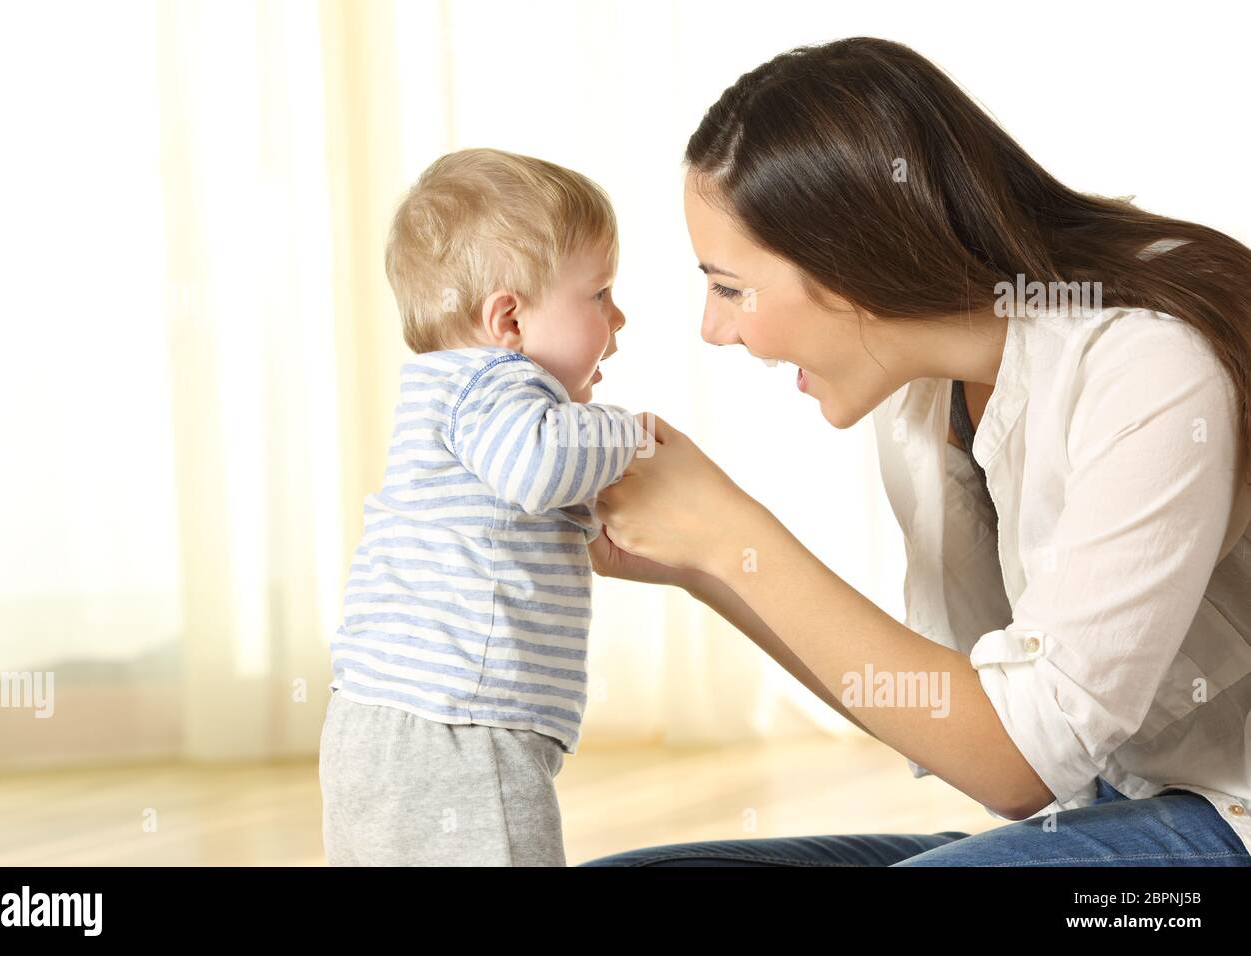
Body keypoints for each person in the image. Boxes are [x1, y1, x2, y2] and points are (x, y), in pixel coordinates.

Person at [580, 37, 1251, 867]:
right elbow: (960, 721)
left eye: (729, 287)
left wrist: (731, 535)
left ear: (852, 259)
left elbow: (1017, 760)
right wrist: (696, 562)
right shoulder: (925, 398)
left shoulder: (1146, 366)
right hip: (1111, 809)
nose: (713, 330)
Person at [319, 147, 643, 865]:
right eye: (599, 294)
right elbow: (537, 468)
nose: (619, 317)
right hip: (460, 720)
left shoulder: (453, 390)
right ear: (509, 320)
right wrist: (631, 433)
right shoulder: (493, 383)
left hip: (385, 713)